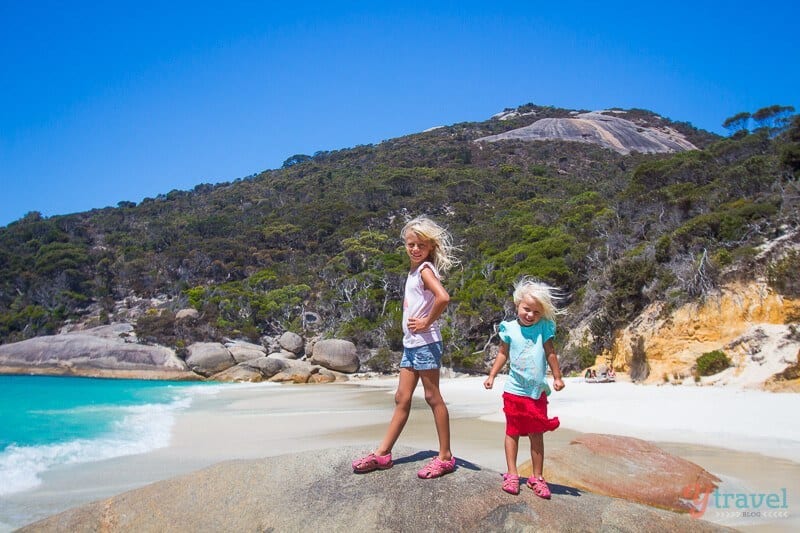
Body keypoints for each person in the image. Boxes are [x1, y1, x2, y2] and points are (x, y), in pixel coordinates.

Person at [352, 215, 459, 479]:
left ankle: (445, 456)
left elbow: (443, 297)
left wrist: (426, 322)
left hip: (426, 343)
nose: (414, 249)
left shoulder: (424, 270)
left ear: (430, 247)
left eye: (420, 245)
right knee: (402, 397)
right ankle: (383, 454)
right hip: (411, 345)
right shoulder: (414, 270)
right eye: (410, 244)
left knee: (433, 397)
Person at [483, 277, 565, 497]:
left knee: (536, 433)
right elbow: (502, 353)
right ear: (517, 304)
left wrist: (557, 377)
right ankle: (512, 473)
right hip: (514, 390)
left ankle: (537, 477)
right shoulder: (508, 328)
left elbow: (550, 353)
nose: (530, 315)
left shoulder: (544, 328)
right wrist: (492, 375)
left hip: (536, 391)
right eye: (526, 309)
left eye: (536, 312)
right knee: (512, 431)